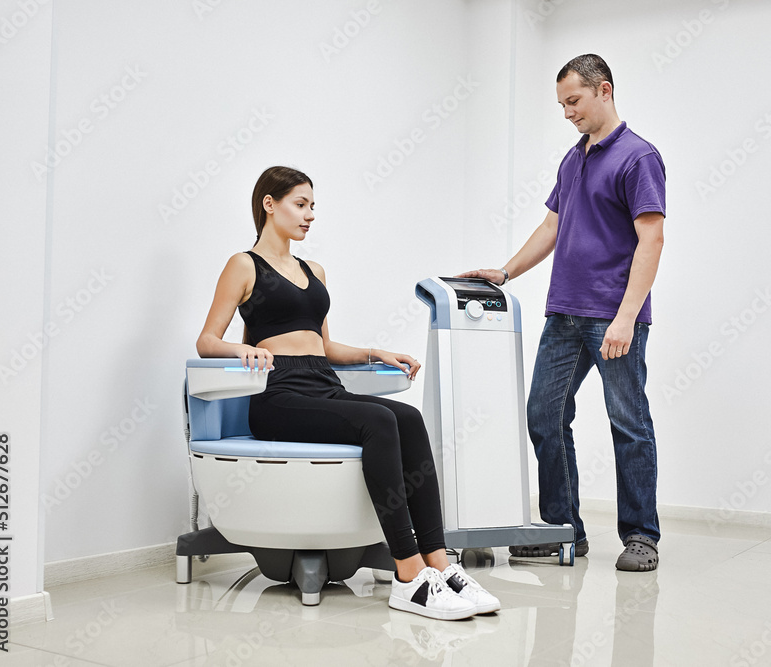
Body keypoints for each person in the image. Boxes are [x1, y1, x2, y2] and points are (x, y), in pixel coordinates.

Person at [197, 166, 500, 618]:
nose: (310, 215)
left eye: (312, 206)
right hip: (278, 396)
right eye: (300, 205)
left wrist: (377, 352)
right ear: (269, 204)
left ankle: (440, 563)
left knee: (407, 417)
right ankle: (408, 573)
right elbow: (207, 341)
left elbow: (325, 345)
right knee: (377, 420)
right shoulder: (244, 265)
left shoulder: (312, 269)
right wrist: (243, 350)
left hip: (322, 382)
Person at [459, 54, 666, 572]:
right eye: (562, 104)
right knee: (543, 416)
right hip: (564, 315)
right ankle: (562, 529)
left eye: (573, 101)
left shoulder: (639, 158)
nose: (567, 112)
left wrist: (625, 317)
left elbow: (652, 239)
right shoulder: (573, 160)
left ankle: (641, 536)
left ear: (604, 90)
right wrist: (505, 273)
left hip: (612, 317)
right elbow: (551, 228)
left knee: (629, 423)